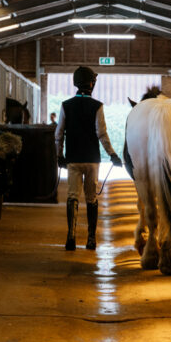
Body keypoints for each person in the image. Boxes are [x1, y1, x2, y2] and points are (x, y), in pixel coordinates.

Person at [55, 66, 121, 251]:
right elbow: (102, 134)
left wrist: (59, 155)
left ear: (75, 83)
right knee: (91, 198)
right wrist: (113, 154)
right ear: (92, 84)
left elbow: (59, 134)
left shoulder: (65, 105)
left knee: (72, 196)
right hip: (92, 159)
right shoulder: (97, 106)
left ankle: (71, 237)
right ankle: (91, 239)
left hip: (73, 159)